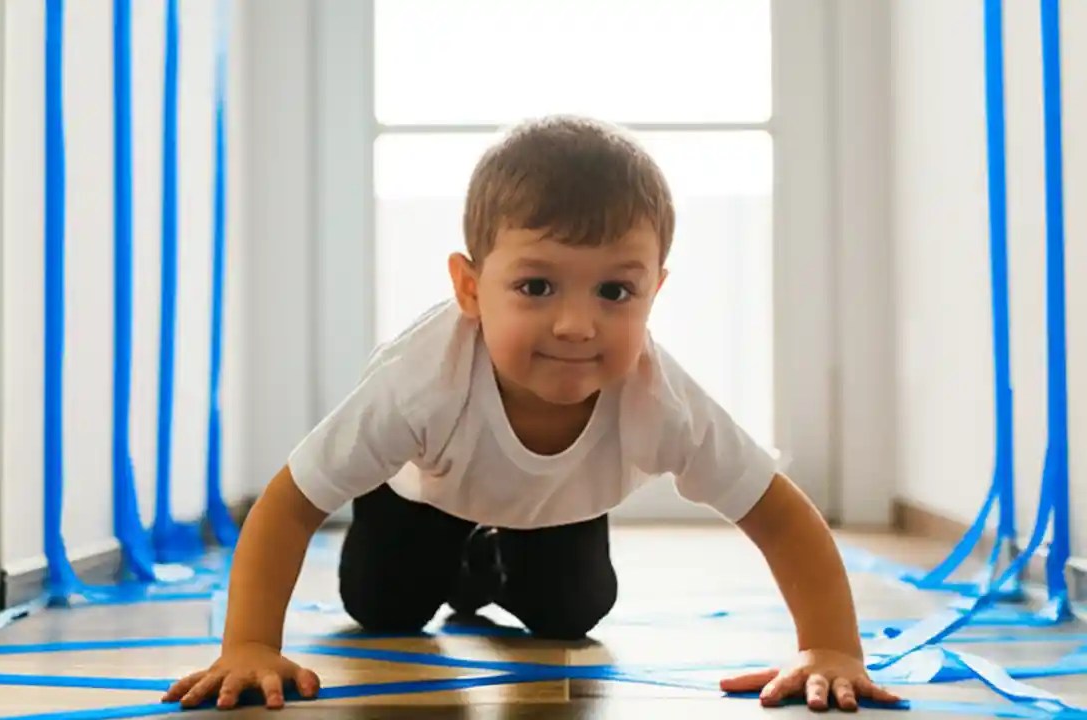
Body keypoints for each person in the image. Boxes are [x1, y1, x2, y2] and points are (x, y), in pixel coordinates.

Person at [164, 115, 900, 713]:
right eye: (538, 286)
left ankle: (486, 568)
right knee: (384, 605)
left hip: (561, 506)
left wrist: (832, 645)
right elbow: (290, 503)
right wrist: (250, 644)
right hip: (422, 494)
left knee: (574, 614)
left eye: (615, 292)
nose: (577, 325)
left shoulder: (657, 397)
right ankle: (451, 558)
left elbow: (777, 513)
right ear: (470, 287)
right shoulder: (422, 383)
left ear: (654, 292)